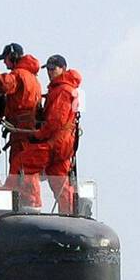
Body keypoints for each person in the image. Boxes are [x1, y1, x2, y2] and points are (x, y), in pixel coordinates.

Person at [0, 43, 43, 207]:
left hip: (21, 130)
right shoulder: (33, 79)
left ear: (13, 56)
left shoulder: (19, 75)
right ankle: (29, 202)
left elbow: (3, 84)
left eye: (6, 59)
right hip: (27, 129)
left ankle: (28, 203)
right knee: (26, 168)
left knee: (21, 168)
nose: (5, 63)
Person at [25, 55, 82, 213]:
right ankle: (69, 212)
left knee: (23, 163)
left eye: (53, 69)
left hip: (57, 142)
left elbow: (56, 121)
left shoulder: (62, 90)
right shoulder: (63, 88)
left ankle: (32, 204)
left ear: (62, 69)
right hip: (64, 143)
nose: (50, 72)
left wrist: (38, 135)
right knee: (59, 179)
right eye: (48, 69)